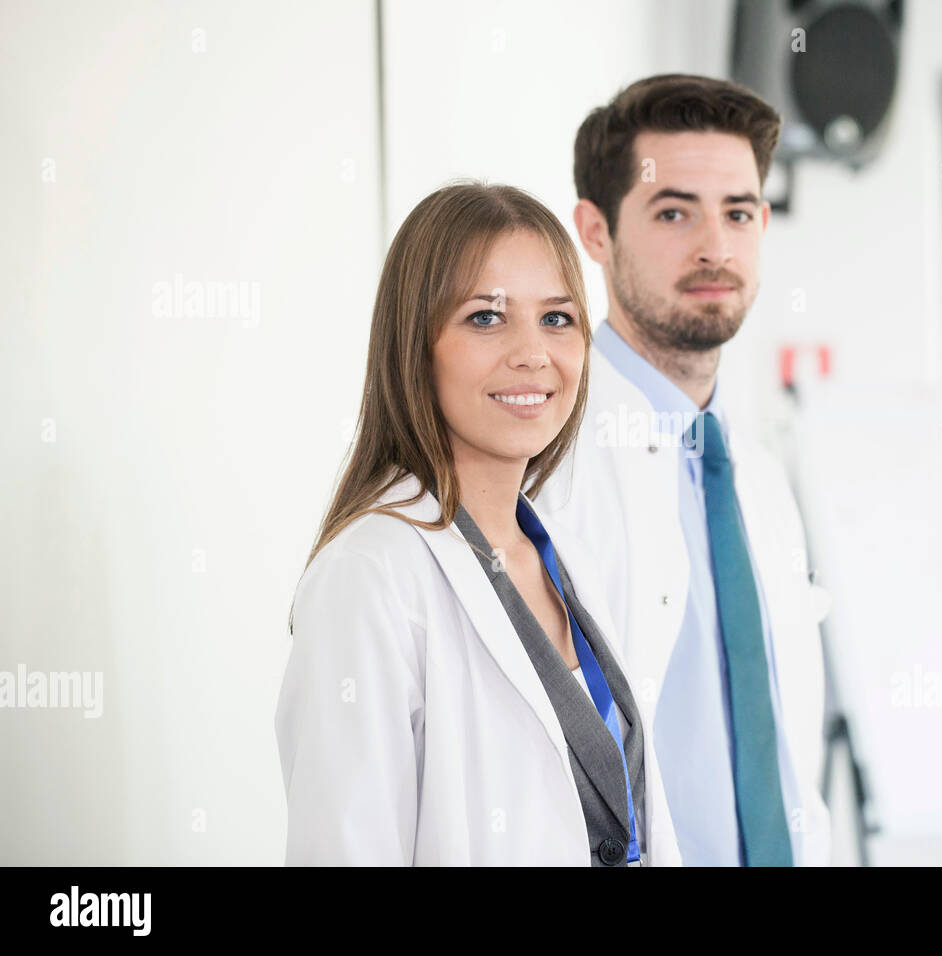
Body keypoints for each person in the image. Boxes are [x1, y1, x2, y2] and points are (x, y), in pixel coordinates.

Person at [275, 181, 680, 866]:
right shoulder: (371, 577)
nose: (533, 353)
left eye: (557, 319)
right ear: (416, 345)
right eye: (486, 318)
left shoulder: (567, 555)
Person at [534, 74, 832, 866]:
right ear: (595, 232)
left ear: (764, 223)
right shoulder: (545, 468)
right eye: (673, 212)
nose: (715, 247)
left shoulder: (759, 481)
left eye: (737, 212)